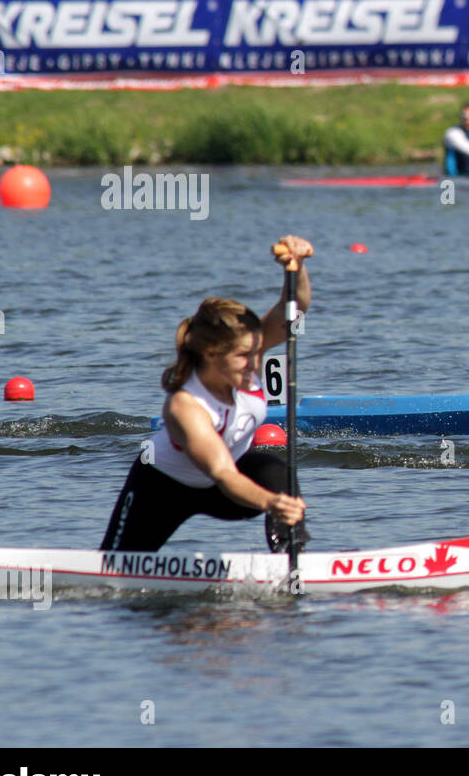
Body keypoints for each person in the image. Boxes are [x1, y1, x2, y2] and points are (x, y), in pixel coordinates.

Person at [101, 237, 314, 554]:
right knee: (117, 568)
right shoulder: (185, 406)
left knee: (279, 473)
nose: (255, 362)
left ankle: (290, 558)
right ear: (212, 354)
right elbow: (223, 473)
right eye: (244, 355)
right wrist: (271, 503)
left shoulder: (245, 362)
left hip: (226, 489)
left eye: (258, 351)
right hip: (163, 489)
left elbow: (296, 308)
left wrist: (294, 268)